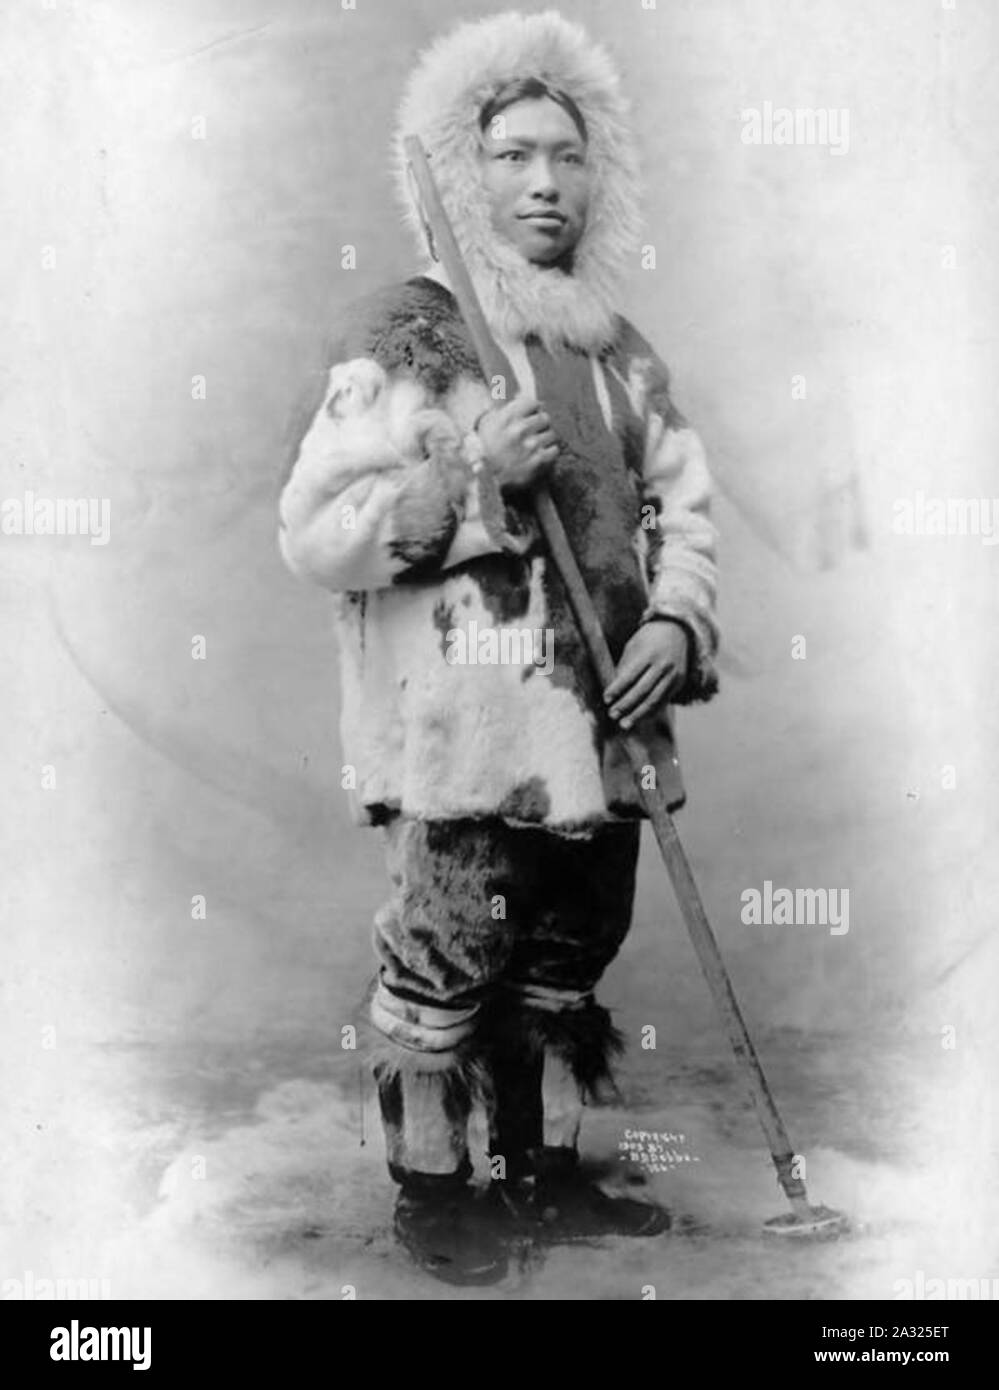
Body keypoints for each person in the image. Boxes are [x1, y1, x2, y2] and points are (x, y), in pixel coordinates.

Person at [277, 8, 719, 1285]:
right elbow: (317, 530)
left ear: (601, 173)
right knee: (451, 944)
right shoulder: (405, 342)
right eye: (516, 154)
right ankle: (434, 1194)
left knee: (572, 949)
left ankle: (546, 1174)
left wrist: (681, 624)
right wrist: (473, 484)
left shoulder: (617, 355)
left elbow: (680, 509)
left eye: (568, 157)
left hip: (605, 724)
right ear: (467, 173)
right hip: (470, 731)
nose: (544, 182)